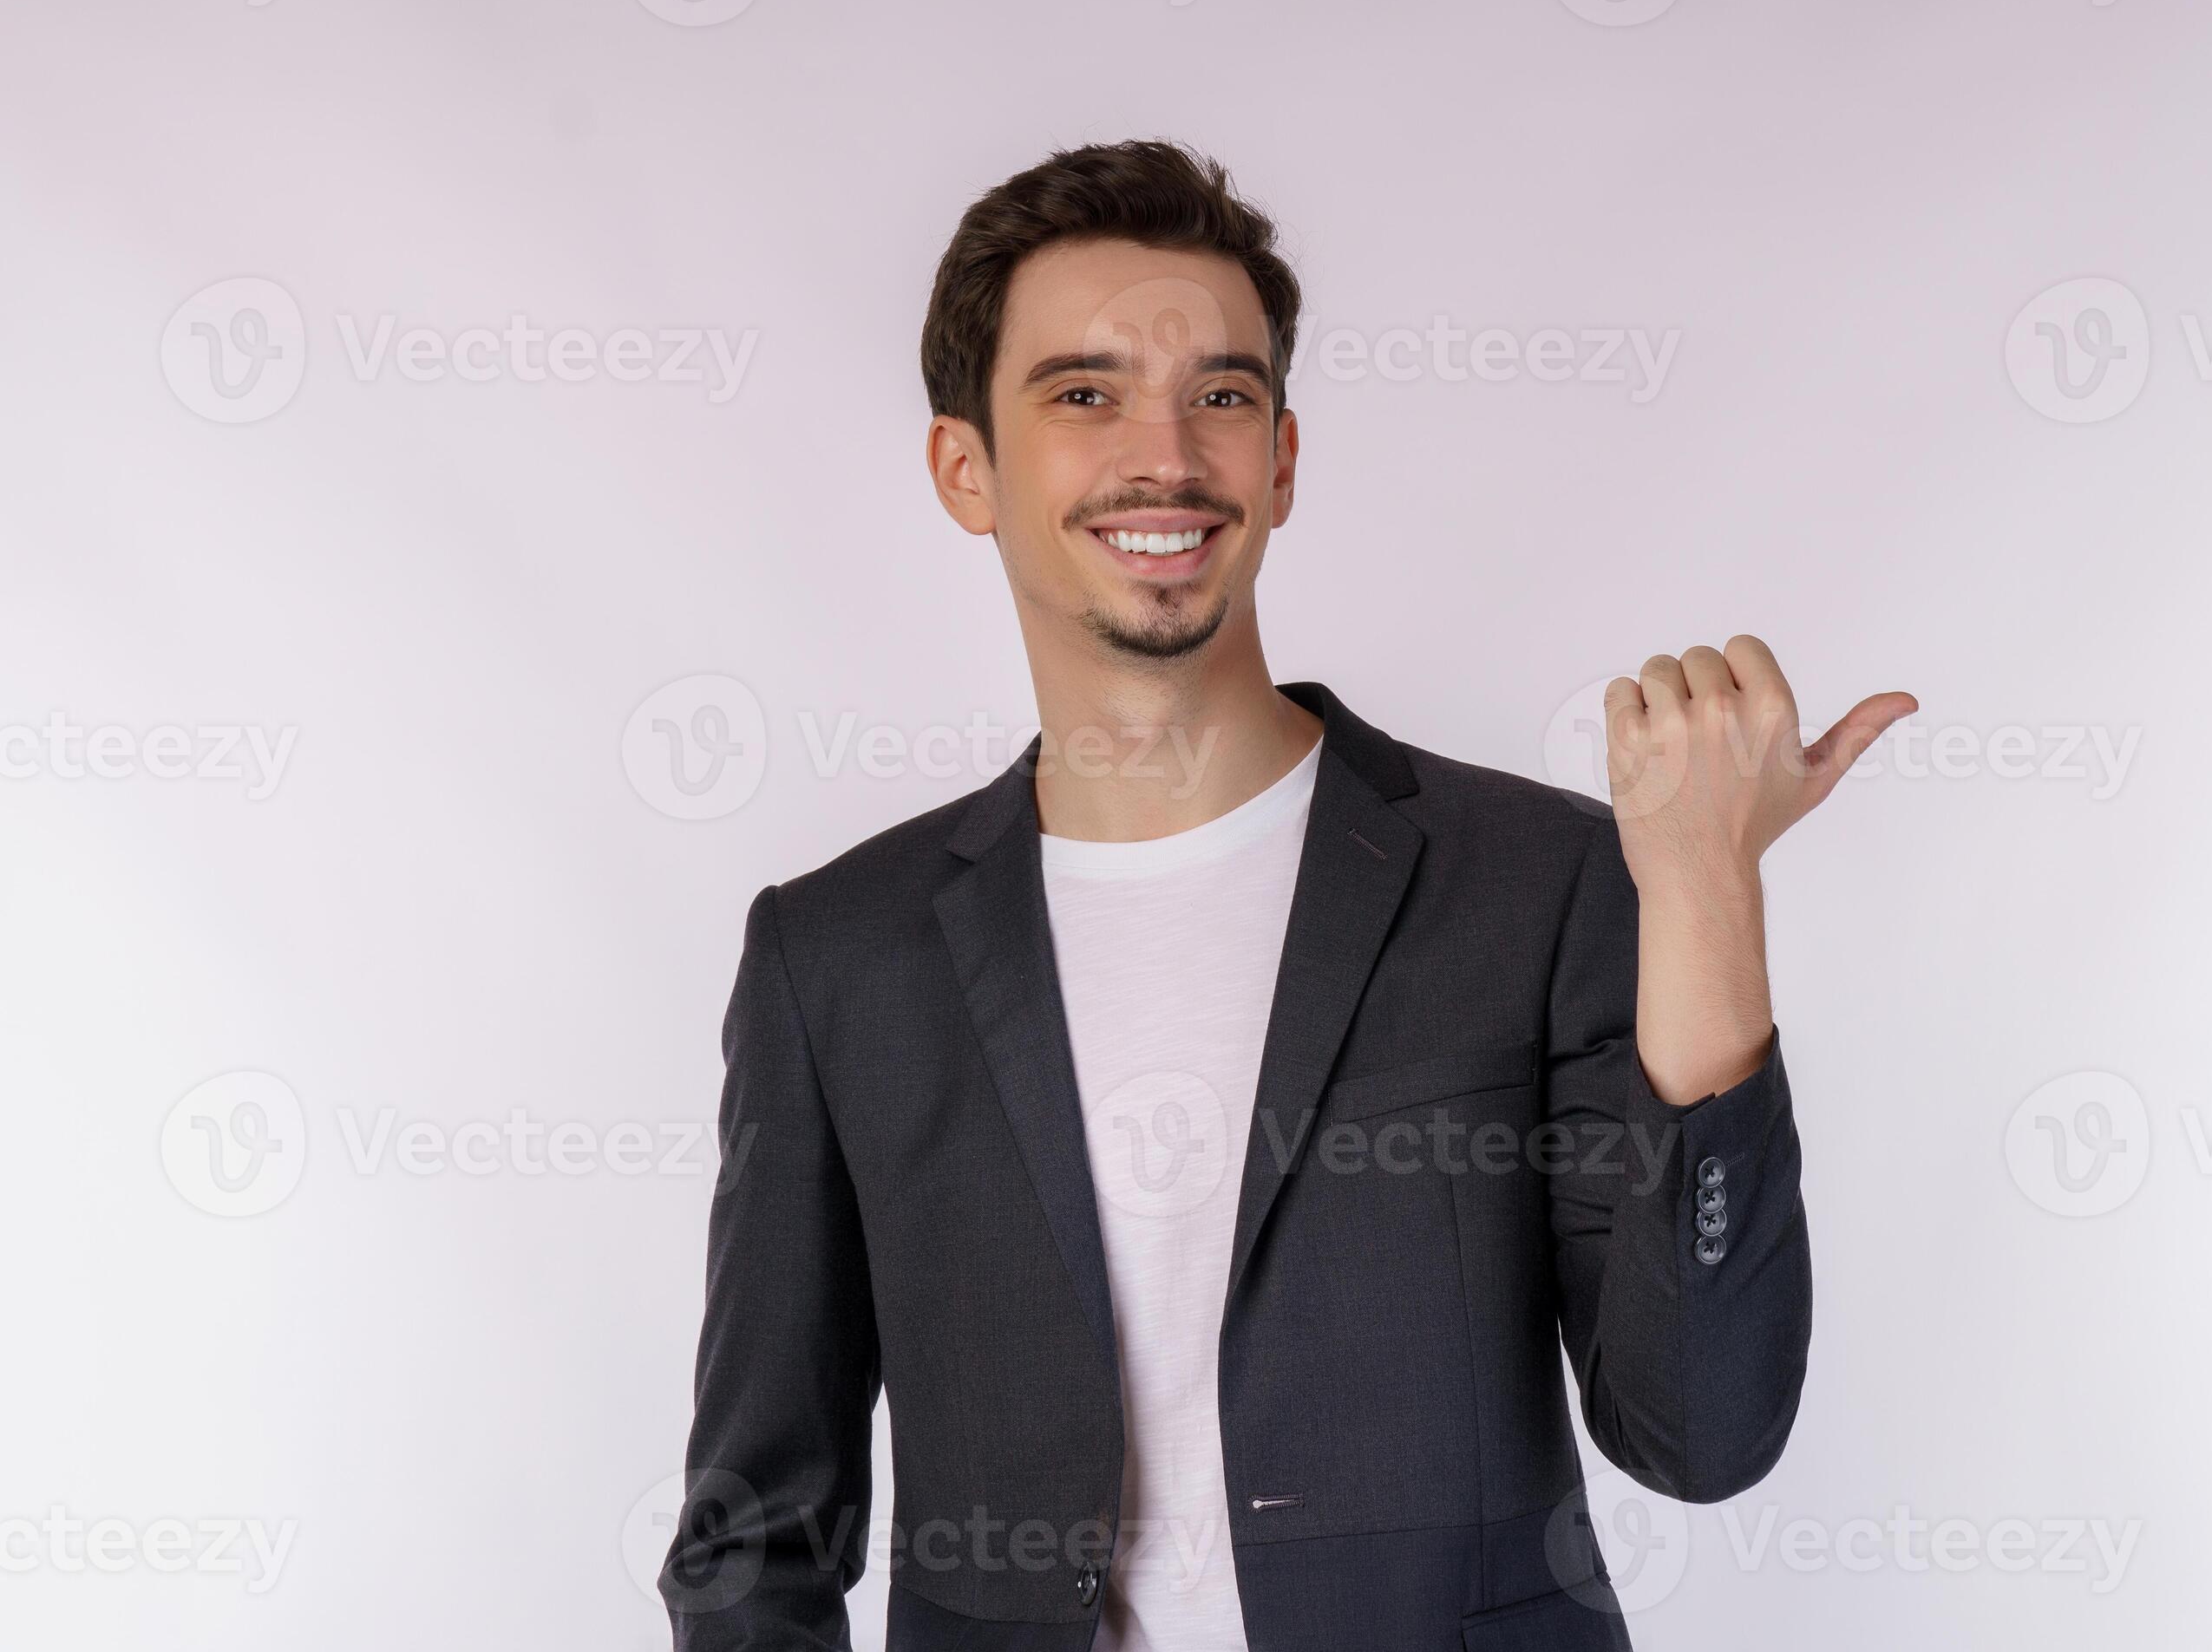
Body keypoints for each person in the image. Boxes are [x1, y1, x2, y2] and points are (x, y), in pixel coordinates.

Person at [660, 137, 1914, 1652]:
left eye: (1223, 397)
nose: (1167, 456)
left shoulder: (1543, 883)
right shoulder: (835, 959)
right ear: (964, 469)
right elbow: (755, 1535)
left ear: (1284, 460)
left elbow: (1701, 1438)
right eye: (1083, 394)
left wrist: (1706, 895)